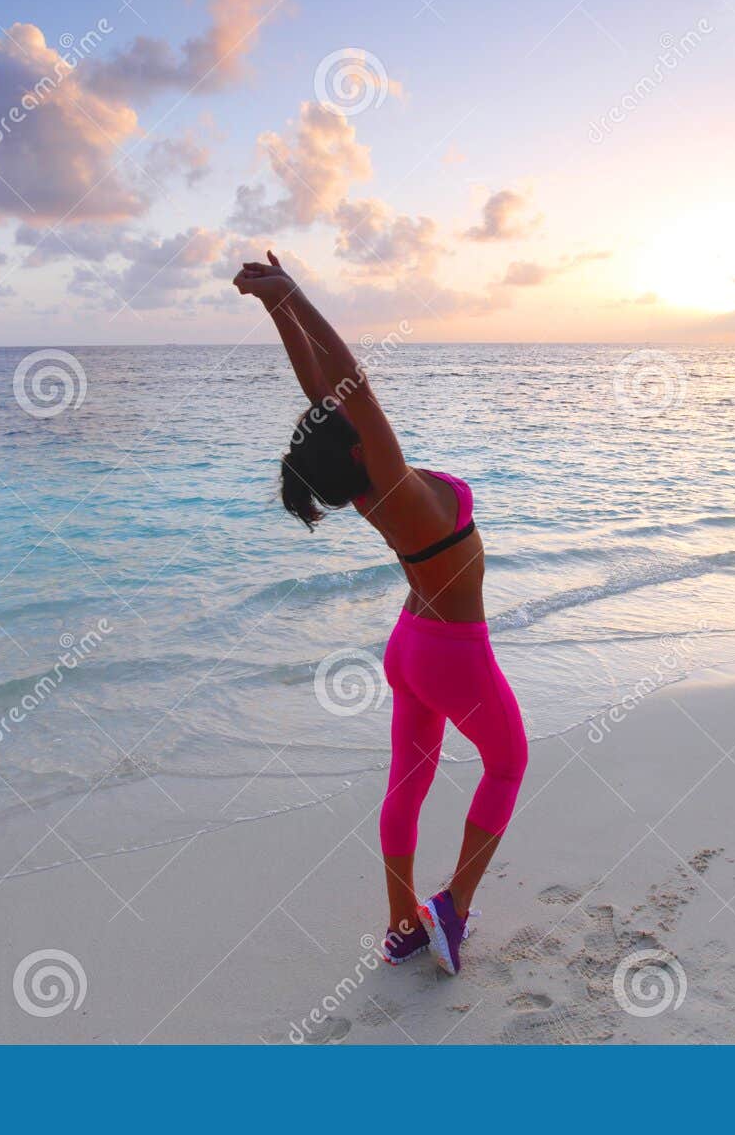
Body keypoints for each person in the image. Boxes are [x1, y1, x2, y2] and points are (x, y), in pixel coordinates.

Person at [234, 254, 528, 975]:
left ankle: (401, 925)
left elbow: (323, 392)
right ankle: (453, 905)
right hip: (454, 652)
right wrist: (295, 294)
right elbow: (350, 386)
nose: (345, 410)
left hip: (409, 648)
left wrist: (278, 309)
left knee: (409, 782)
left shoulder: (366, 488)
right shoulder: (393, 484)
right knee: (508, 763)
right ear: (359, 444)